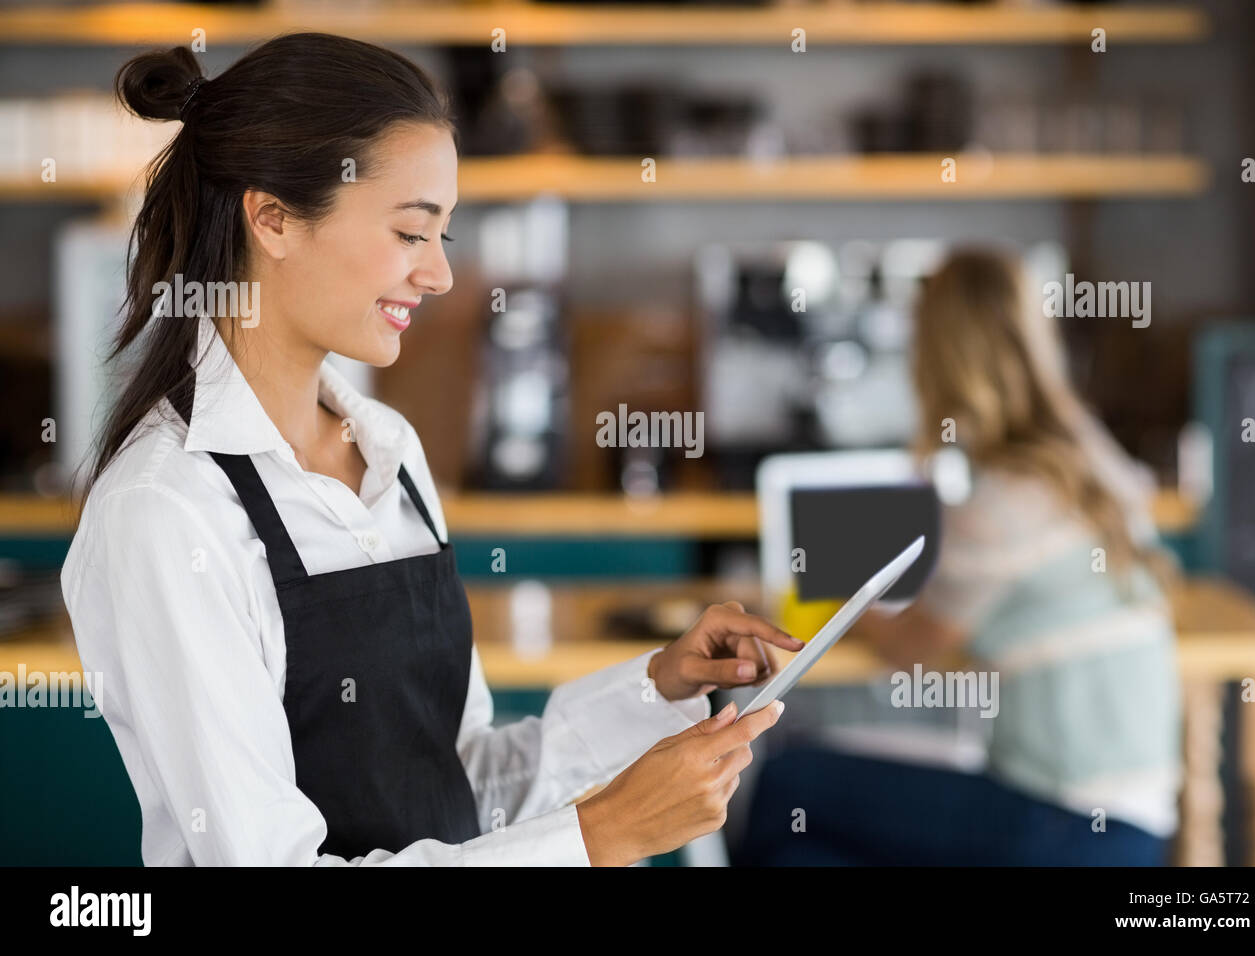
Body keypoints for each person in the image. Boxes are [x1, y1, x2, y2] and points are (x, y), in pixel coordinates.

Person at [61, 34, 799, 866]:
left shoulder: (390, 452)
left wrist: (657, 688)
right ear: (271, 218)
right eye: (412, 233)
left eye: (442, 237)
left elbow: (457, 787)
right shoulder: (167, 514)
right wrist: (602, 836)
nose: (441, 276)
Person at [734, 247, 1183, 866]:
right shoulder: (1091, 456)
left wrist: (839, 603)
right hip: (1137, 822)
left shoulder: (1003, 499)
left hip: (1065, 823)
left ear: (938, 357)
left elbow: (905, 647)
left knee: (788, 786)